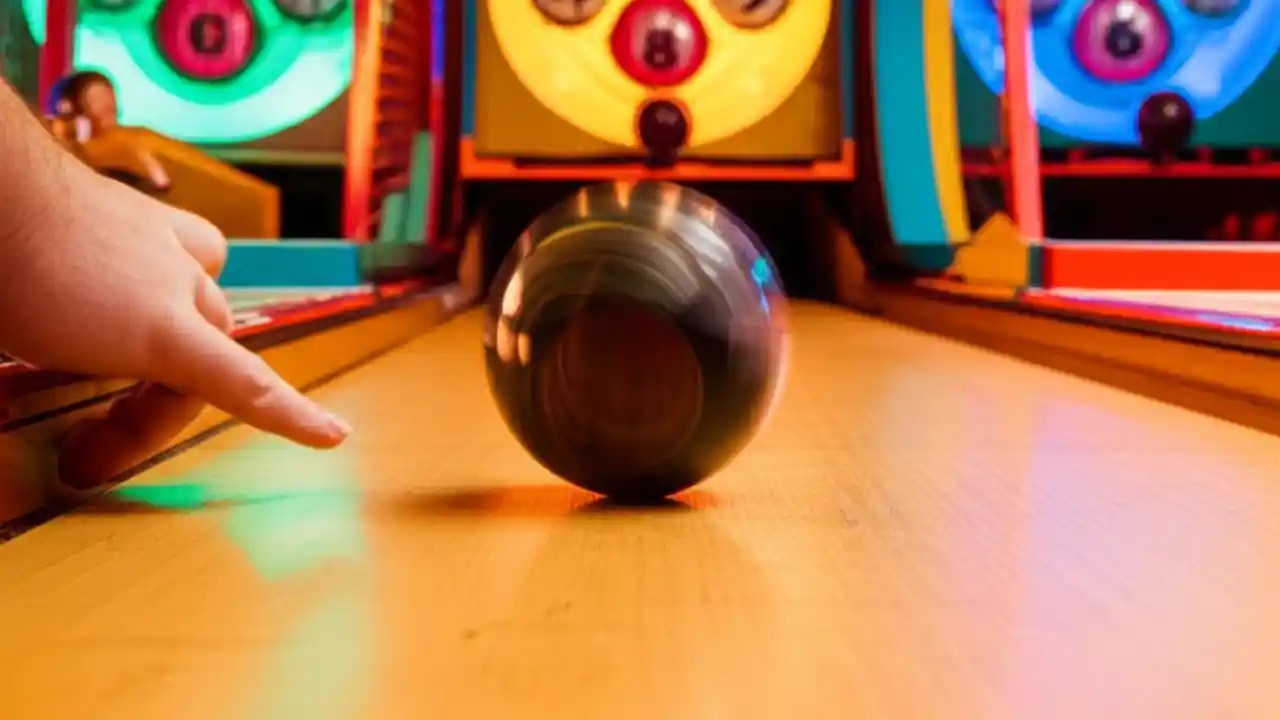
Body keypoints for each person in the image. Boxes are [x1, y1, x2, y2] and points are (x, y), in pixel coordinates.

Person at [0, 79, 351, 498]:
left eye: (107, 106)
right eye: (92, 107)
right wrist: (30, 217)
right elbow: (156, 179)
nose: (100, 117)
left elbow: (157, 179)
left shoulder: (127, 150)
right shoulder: (106, 150)